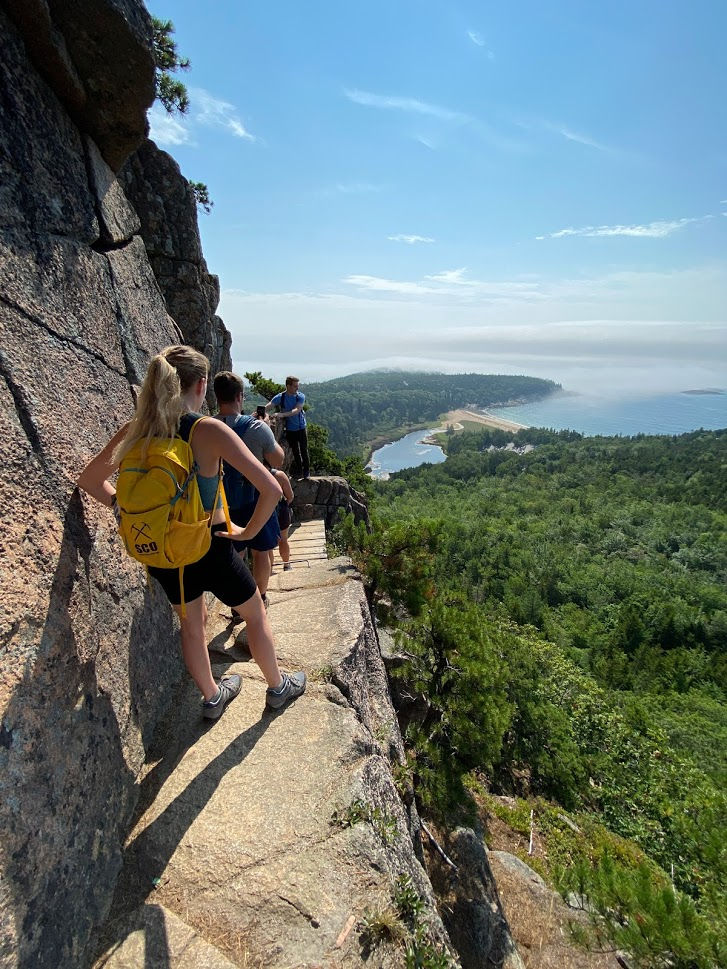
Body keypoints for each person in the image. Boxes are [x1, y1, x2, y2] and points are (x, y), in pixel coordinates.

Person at [77, 345, 306, 720]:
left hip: (163, 551)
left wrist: (130, 510)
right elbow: (272, 488)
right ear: (201, 385)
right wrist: (246, 533)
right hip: (210, 545)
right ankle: (278, 688)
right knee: (255, 615)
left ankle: (213, 698)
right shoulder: (205, 429)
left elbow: (90, 480)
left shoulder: (136, 429)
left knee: (191, 626)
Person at [213, 371, 284, 607]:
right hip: (255, 499)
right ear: (240, 396)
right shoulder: (255, 427)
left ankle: (238, 604)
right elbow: (277, 461)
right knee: (261, 552)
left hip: (220, 504)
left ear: (216, 396)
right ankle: (260, 597)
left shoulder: (205, 428)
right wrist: (266, 430)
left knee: (235, 556)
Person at [268, 376, 309, 479]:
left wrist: (282, 415)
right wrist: (260, 412)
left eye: (297, 386)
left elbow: (297, 410)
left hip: (301, 427)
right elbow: (270, 405)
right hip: (290, 429)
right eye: (295, 386)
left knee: (304, 450)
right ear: (288, 386)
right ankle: (300, 471)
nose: (297, 388)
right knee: (295, 451)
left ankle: (306, 472)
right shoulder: (281, 397)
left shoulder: (300, 396)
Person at [268, 468, 295, 572]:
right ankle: (286, 565)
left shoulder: (252, 471)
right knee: (283, 540)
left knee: (267, 545)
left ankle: (268, 568)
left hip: (262, 509)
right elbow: (290, 496)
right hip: (280, 508)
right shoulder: (280, 475)